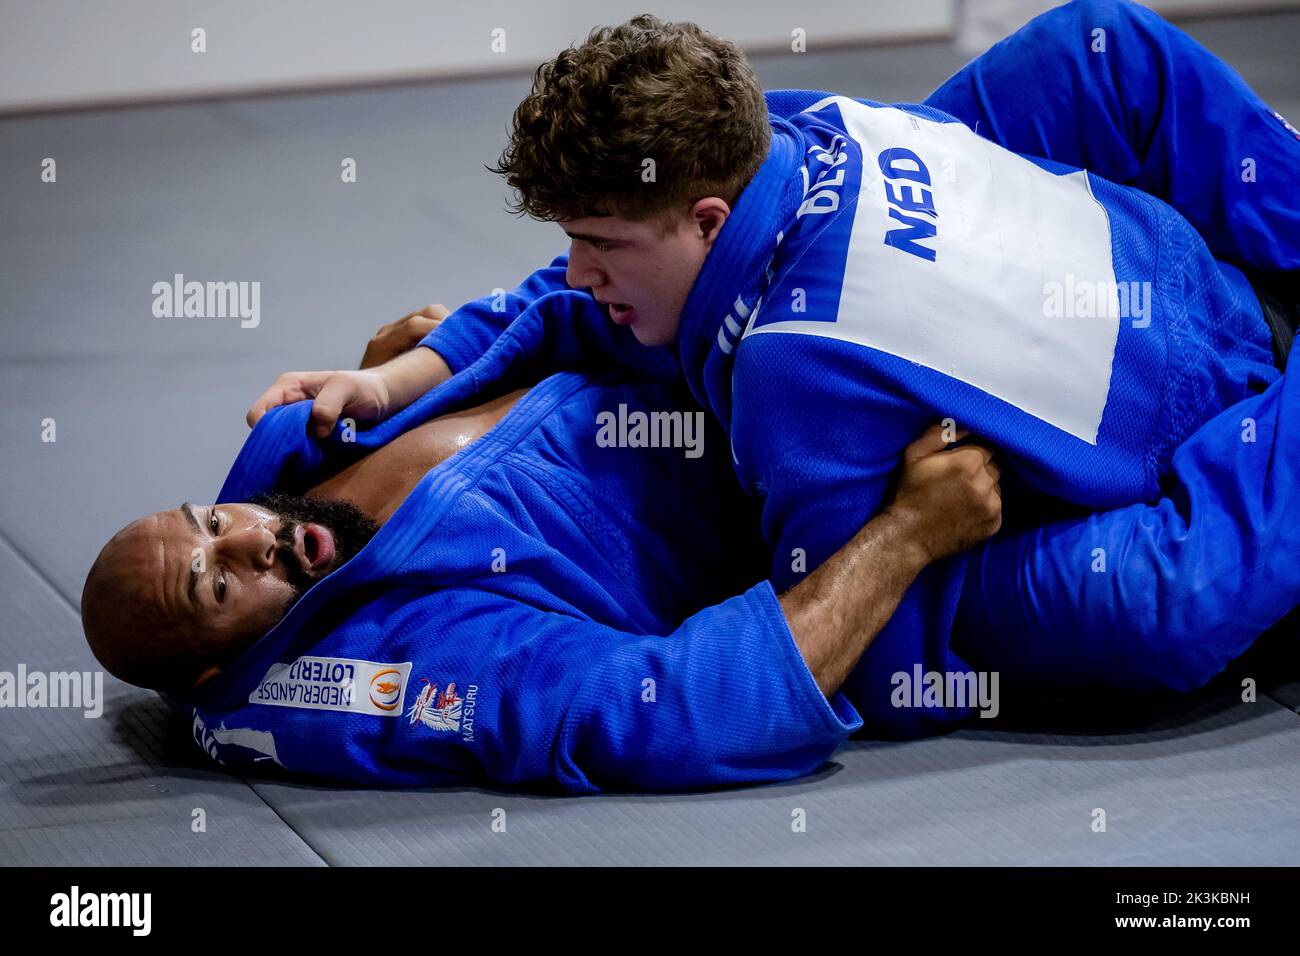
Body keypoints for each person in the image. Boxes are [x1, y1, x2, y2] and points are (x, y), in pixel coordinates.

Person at [249, 1, 1300, 735]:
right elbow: (570, 295)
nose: (576, 270)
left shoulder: (788, 379)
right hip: (1168, 259)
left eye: (600, 242)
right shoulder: (792, 124)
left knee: (1153, 606)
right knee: (1093, 46)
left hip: (1204, 422)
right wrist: (402, 376)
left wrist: (913, 526)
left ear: (704, 219)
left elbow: (861, 642)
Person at [82, 301, 1001, 792]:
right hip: (837, 501)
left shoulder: (282, 463)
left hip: (731, 343)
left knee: (1093, 56)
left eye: (210, 521)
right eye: (217, 588)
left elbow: (513, 315)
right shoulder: (385, 677)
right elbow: (670, 717)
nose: (247, 541)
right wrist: (906, 536)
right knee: (1130, 595)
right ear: (213, 674)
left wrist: (424, 365)